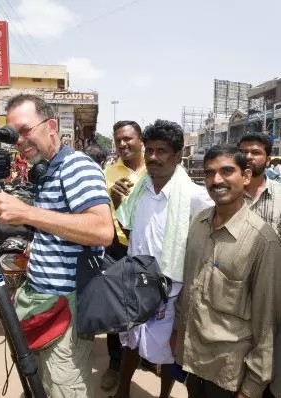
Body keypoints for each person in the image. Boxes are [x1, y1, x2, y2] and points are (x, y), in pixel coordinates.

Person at [0, 94, 114, 398]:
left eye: (26, 130)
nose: (19, 140)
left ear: (51, 126)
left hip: (66, 303)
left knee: (63, 387)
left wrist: (27, 212)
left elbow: (102, 230)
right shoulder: (45, 169)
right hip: (41, 297)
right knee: (40, 381)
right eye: (13, 134)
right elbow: (56, 225)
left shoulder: (77, 167)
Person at [112, 119, 212, 398]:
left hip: (170, 289)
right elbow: (131, 230)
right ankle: (122, 392)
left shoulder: (195, 197)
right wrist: (118, 202)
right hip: (135, 283)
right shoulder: (136, 191)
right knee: (130, 341)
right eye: (150, 150)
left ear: (178, 155)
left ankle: (164, 395)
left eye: (162, 151)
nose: (153, 157)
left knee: (169, 351)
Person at [174, 144, 281, 398]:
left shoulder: (263, 241)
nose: (216, 180)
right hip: (194, 361)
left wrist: (252, 387)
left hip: (230, 375)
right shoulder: (198, 224)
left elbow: (267, 324)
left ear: (245, 176)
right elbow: (190, 290)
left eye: (226, 171)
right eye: (210, 173)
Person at [100, 121, 146, 391]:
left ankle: (148, 356)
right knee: (116, 309)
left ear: (140, 139)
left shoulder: (157, 169)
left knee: (150, 304)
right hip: (118, 247)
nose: (123, 144)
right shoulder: (108, 172)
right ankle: (115, 364)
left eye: (128, 139)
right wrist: (113, 199)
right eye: (118, 140)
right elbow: (102, 215)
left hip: (151, 249)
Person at [237, 133, 281, 398]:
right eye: (244, 151)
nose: (250, 157)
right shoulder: (227, 195)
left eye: (256, 152)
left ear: (267, 157)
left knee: (268, 357)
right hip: (235, 291)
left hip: (272, 291)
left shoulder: (280, 196)